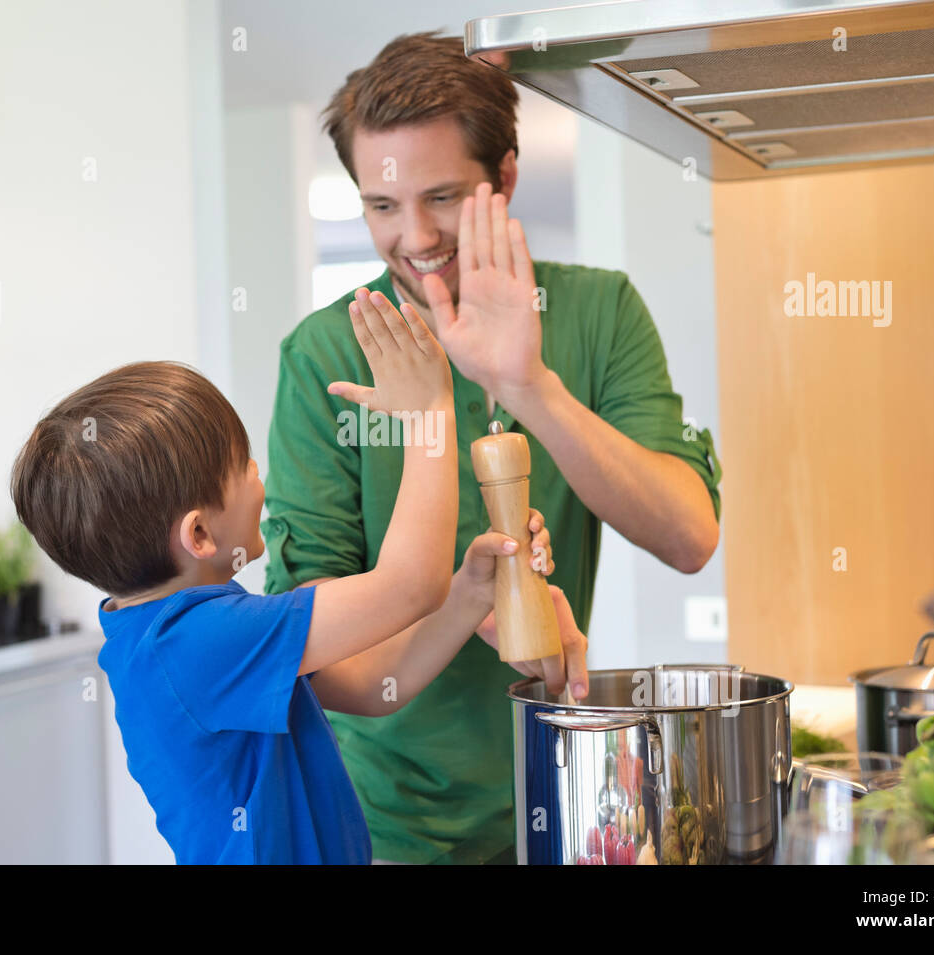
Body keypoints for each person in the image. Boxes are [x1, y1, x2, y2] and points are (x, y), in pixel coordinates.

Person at [263, 32, 723, 864]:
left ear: (504, 176)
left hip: (570, 794)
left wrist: (528, 384)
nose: (414, 236)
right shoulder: (324, 356)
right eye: (382, 206)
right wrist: (468, 599)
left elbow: (689, 536)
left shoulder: (598, 312)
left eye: (442, 196)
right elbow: (316, 651)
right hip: (384, 826)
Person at [8, 290, 582, 863]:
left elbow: (372, 685)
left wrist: (466, 596)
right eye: (243, 466)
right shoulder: (199, 641)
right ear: (200, 536)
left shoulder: (179, 632)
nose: (260, 475)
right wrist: (429, 416)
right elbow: (409, 584)